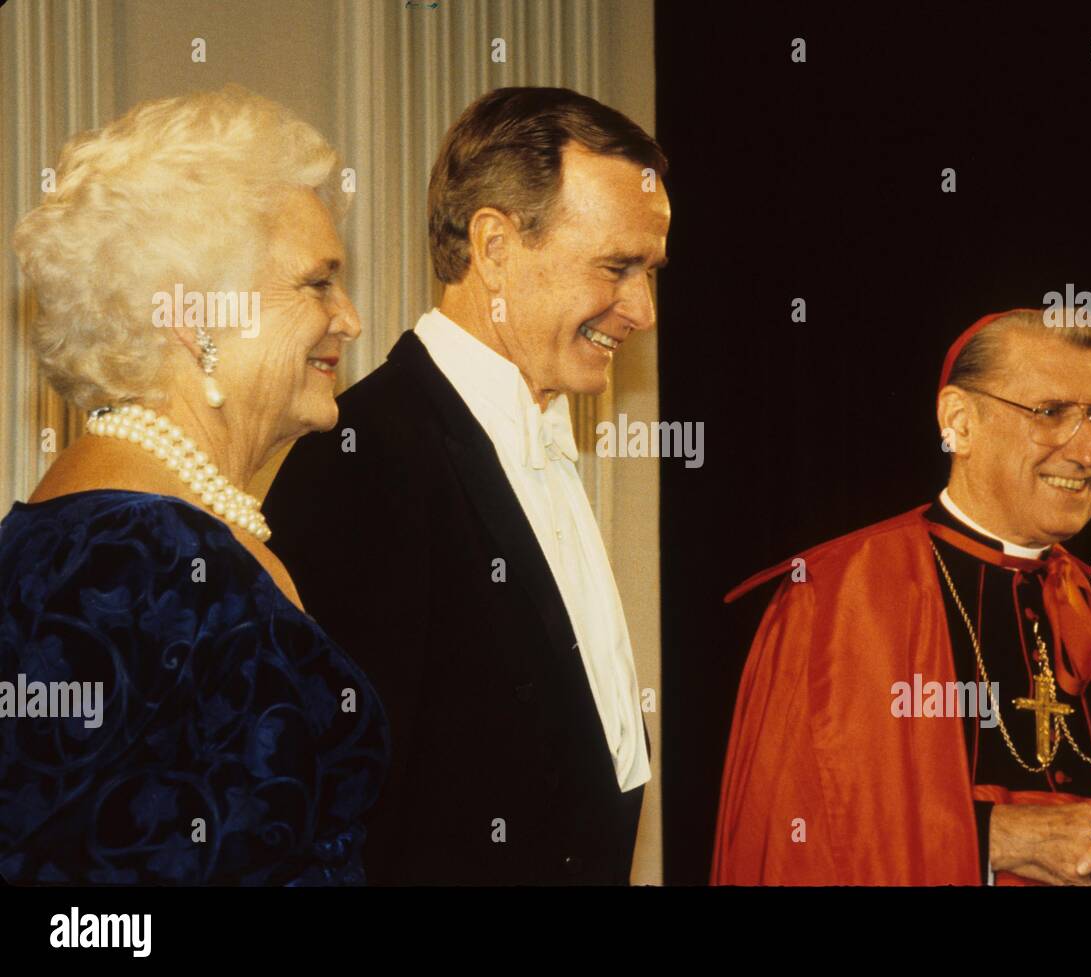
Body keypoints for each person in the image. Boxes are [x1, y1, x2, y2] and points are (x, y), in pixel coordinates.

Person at [263, 87, 670, 884]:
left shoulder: (535, 428)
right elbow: (333, 825)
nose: (644, 310)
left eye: (651, 272)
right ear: (493, 247)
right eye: (617, 267)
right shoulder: (364, 458)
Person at [0, 85, 388, 885]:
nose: (348, 317)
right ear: (192, 315)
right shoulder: (154, 559)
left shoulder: (88, 532)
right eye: (318, 282)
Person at [712, 308, 1091, 886]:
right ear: (959, 423)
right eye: (1051, 413)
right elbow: (796, 839)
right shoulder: (837, 596)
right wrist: (984, 836)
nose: (1089, 453)